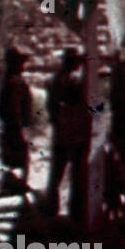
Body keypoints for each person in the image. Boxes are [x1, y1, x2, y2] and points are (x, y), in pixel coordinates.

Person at [44, 47, 91, 222]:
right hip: (74, 132)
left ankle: (50, 209)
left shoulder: (53, 81)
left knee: (56, 174)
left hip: (60, 132)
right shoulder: (74, 80)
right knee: (77, 175)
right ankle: (76, 213)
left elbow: (51, 109)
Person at [0, 48, 33, 195]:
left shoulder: (10, 80)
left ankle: (14, 186)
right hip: (11, 128)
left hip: (11, 128)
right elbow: (13, 109)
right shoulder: (11, 82)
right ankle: (15, 187)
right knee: (15, 160)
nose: (23, 66)